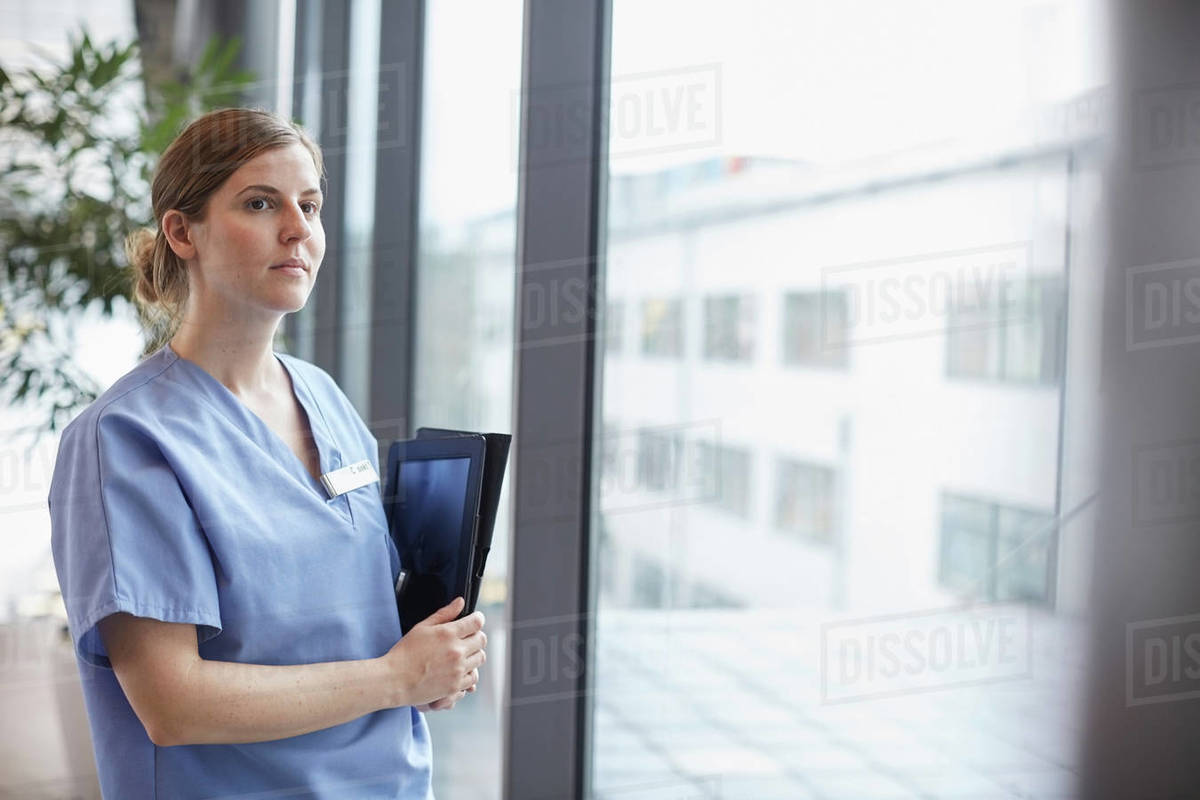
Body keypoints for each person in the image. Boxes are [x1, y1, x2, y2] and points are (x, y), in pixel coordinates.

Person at [46, 108, 486, 799]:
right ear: (181, 231)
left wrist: (432, 662)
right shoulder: (124, 440)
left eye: (309, 205)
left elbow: (359, 610)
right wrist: (397, 677)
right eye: (260, 203)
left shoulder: (325, 397)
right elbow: (173, 703)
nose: (298, 229)